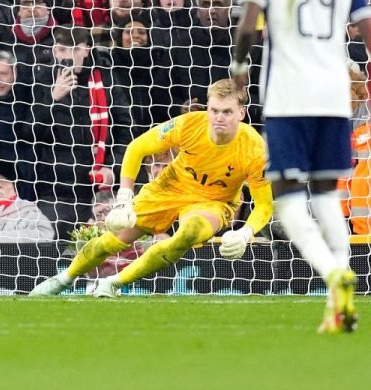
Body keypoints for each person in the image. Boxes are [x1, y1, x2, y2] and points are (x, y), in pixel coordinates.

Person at [231, 0, 371, 333]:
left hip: (288, 93)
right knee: (328, 194)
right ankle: (339, 304)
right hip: (334, 92)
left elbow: (249, 22)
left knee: (290, 200)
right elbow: (367, 26)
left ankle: (332, 274)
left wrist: (239, 67)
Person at [31, 79, 271, 298]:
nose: (219, 118)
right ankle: (63, 279)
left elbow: (264, 205)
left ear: (241, 113)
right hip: (169, 187)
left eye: (227, 112)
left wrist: (245, 233)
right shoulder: (188, 124)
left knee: (189, 233)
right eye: (214, 110)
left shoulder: (255, 149)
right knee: (114, 240)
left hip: (213, 202)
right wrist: (124, 198)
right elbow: (137, 148)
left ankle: (114, 283)